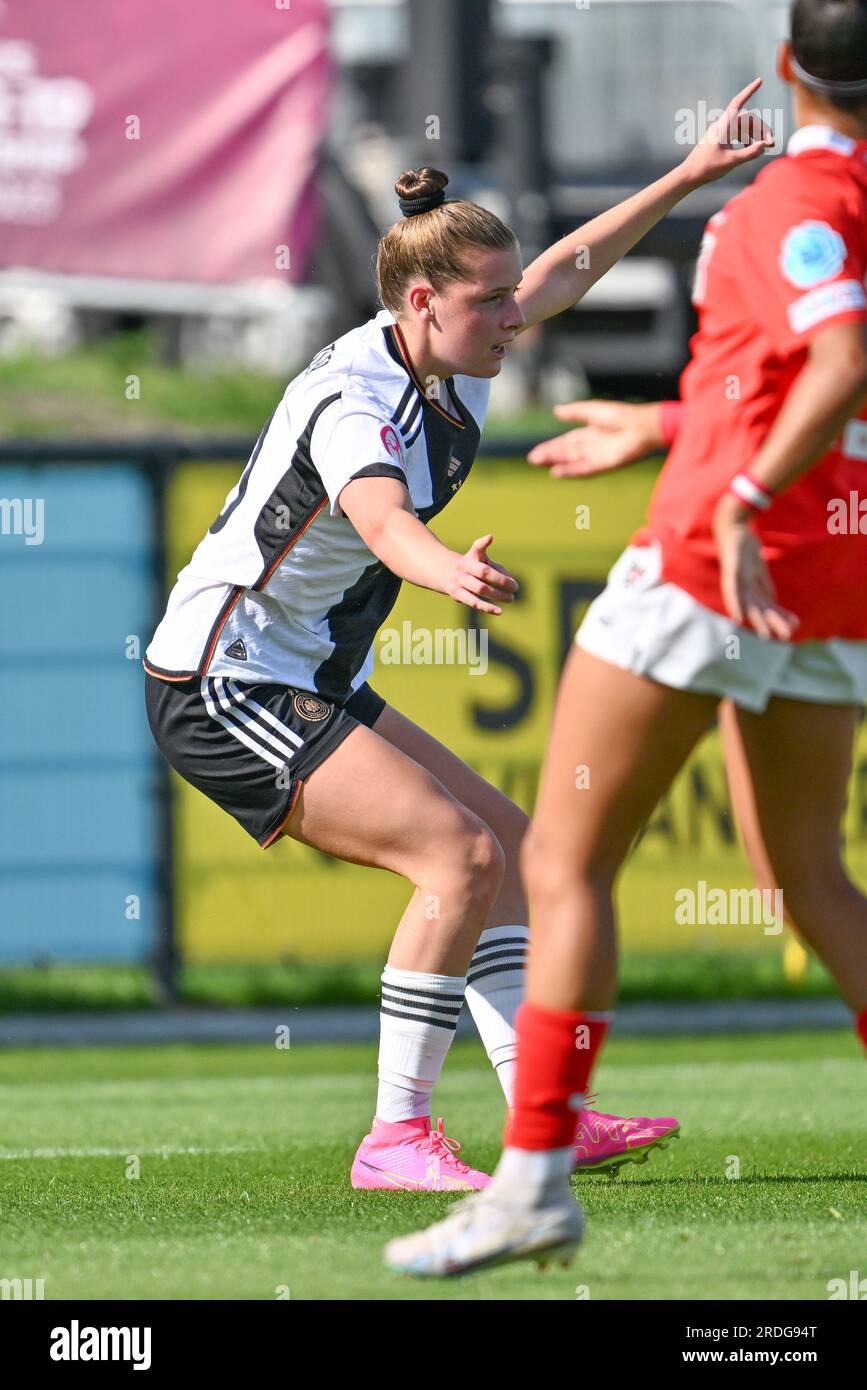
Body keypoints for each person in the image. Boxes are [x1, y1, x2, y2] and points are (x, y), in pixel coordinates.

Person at [144, 90, 769, 1193]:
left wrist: (689, 178)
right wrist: (451, 572)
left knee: (516, 853)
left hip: (304, 673)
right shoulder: (356, 399)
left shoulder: (446, 347)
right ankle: (393, 1137)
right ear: (423, 302)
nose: (516, 321)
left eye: (511, 299)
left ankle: (546, 1119)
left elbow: (569, 264)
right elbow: (381, 522)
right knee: (457, 856)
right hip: (220, 679)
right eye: (493, 306)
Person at [385, 0, 867, 1276]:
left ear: (785, 64)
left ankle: (535, 1178)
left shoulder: (792, 205)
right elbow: (777, 379)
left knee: (561, 862)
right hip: (835, 570)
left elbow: (837, 363)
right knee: (813, 880)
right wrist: (664, 430)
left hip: (725, 549)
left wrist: (741, 490)